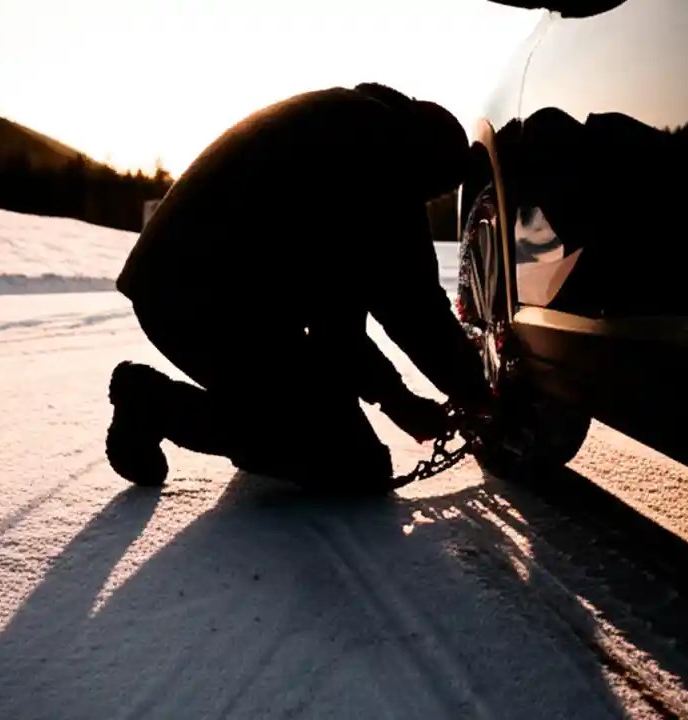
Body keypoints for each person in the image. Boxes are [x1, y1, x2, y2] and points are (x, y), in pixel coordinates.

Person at [108, 82, 490, 491]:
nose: (421, 207)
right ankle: (153, 404)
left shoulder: (351, 122)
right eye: (428, 194)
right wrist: (473, 398)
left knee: (325, 426)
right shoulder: (377, 158)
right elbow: (406, 311)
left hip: (192, 291)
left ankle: (261, 415)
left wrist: (400, 399)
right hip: (202, 305)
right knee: (353, 462)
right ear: (424, 165)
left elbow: (345, 320)